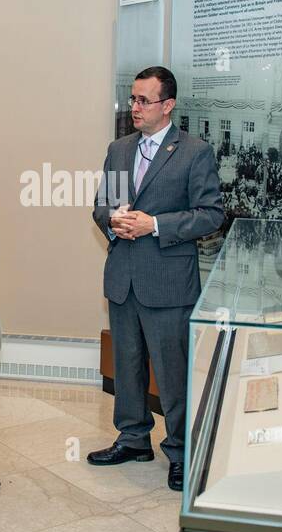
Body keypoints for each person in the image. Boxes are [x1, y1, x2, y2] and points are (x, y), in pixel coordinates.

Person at [89, 66, 224, 491]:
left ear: (168, 105)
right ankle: (132, 438)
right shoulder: (118, 149)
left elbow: (211, 215)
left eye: (144, 100)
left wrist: (155, 225)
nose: (135, 107)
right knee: (127, 366)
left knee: (172, 372)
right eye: (132, 99)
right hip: (123, 278)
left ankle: (182, 450)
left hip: (168, 284)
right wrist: (114, 220)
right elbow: (101, 205)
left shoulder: (194, 152)